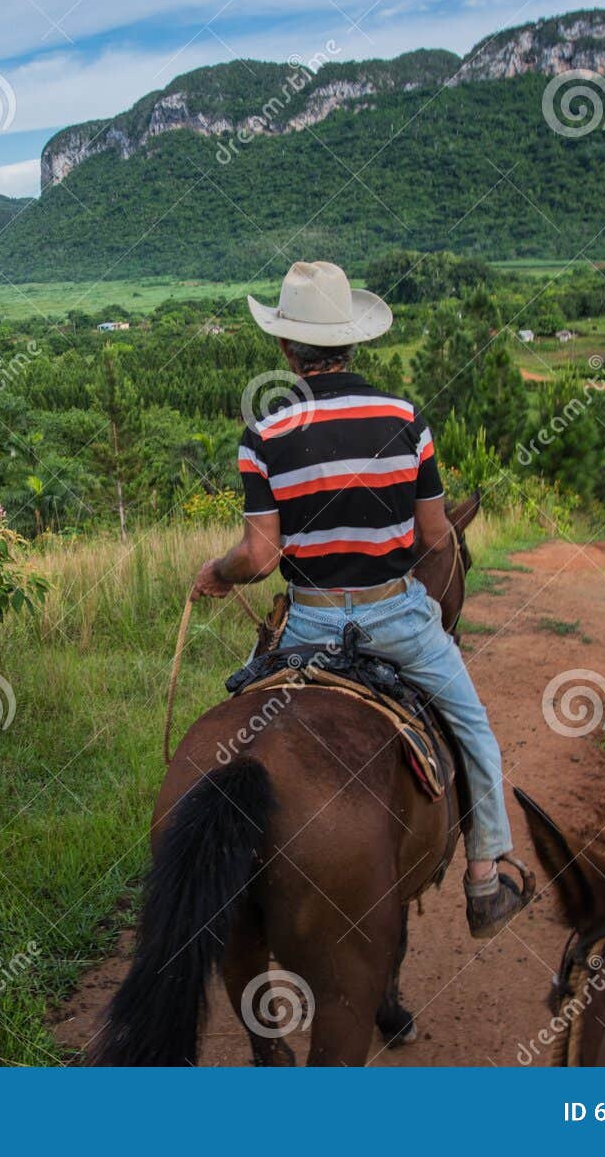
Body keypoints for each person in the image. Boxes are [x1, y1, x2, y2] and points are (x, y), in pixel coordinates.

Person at [194, 260, 526, 938]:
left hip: (308, 627)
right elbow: (436, 536)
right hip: (397, 617)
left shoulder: (265, 438)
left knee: (244, 719)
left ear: (287, 348)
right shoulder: (406, 419)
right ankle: (486, 879)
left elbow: (260, 557)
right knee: (475, 730)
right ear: (352, 339)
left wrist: (219, 572)